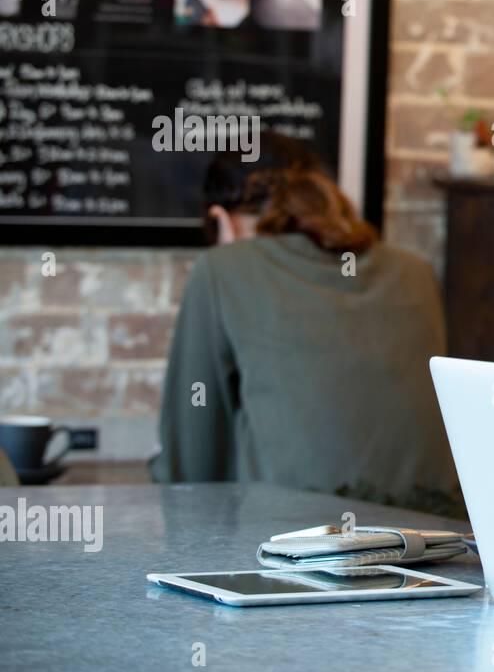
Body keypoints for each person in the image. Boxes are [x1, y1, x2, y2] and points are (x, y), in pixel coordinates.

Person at [148, 131, 466, 519]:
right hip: (439, 539)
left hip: (300, 549)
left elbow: (189, 459)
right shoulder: (416, 272)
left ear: (221, 221)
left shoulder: (223, 269)